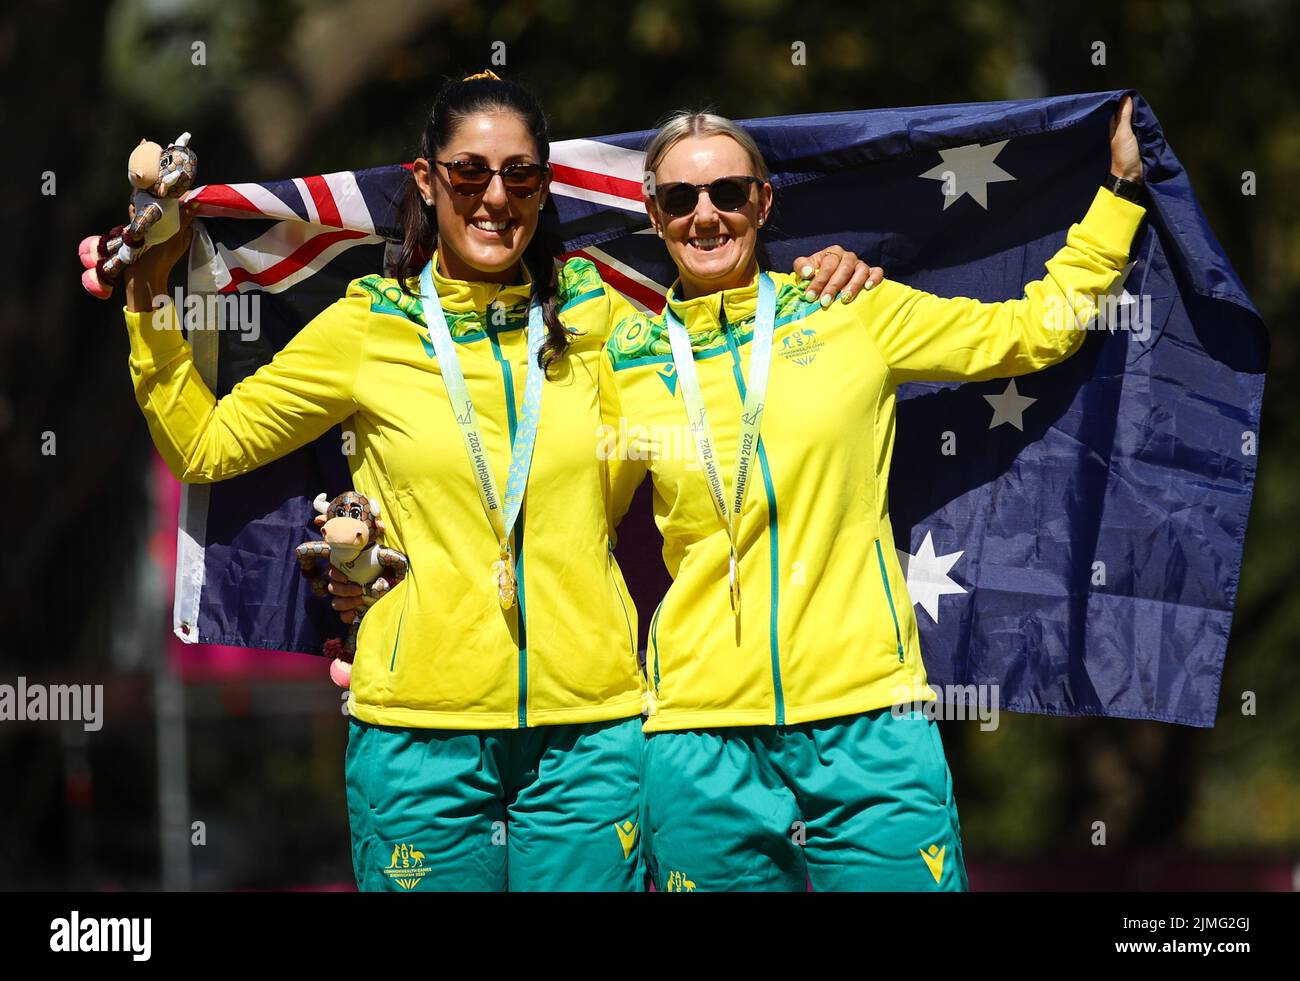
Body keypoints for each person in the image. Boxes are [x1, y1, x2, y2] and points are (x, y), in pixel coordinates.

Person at [119, 71, 882, 891]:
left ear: (544, 188)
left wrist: (820, 288)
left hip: (592, 735)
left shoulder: (601, 313)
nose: (495, 197)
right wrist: (148, 291)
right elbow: (207, 445)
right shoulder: (369, 325)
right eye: (470, 173)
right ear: (427, 181)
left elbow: (739, 361)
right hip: (418, 733)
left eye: (520, 175)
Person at [599, 97, 1148, 891]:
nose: (706, 215)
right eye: (681, 199)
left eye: (729, 193)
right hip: (698, 736)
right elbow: (565, 517)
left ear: (764, 201)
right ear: (653, 214)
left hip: (869, 721)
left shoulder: (850, 307)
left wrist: (1120, 192)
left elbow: (1031, 331)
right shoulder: (626, 359)